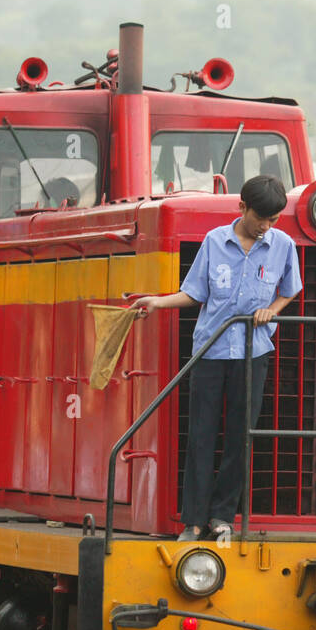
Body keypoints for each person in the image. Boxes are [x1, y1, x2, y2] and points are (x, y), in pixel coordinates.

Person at [131, 175, 301, 542]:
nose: (266, 227)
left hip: (254, 353)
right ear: (242, 208)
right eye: (261, 219)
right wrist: (158, 302)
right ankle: (193, 521)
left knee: (240, 436)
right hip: (210, 350)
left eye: (273, 220)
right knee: (202, 435)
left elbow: (290, 289)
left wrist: (272, 309)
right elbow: (194, 293)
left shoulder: (282, 245)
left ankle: (223, 517)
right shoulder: (214, 242)